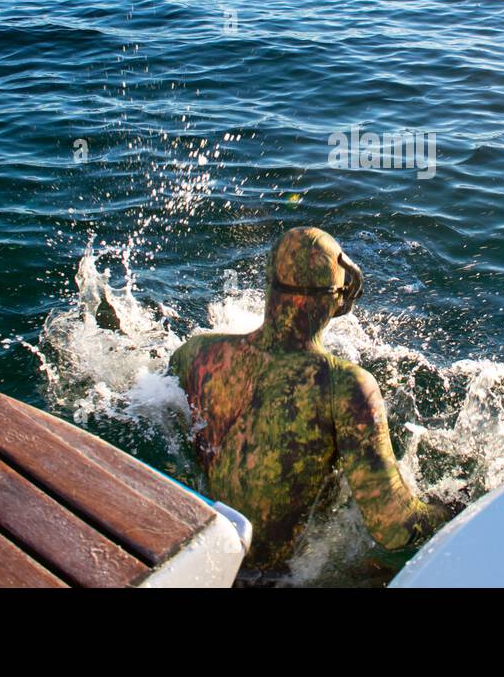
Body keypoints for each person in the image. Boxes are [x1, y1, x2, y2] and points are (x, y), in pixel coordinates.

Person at [171, 226, 450, 569]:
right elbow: (392, 526)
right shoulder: (344, 385)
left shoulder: (196, 355)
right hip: (278, 576)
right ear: (335, 298)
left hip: (205, 558)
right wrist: (450, 510)